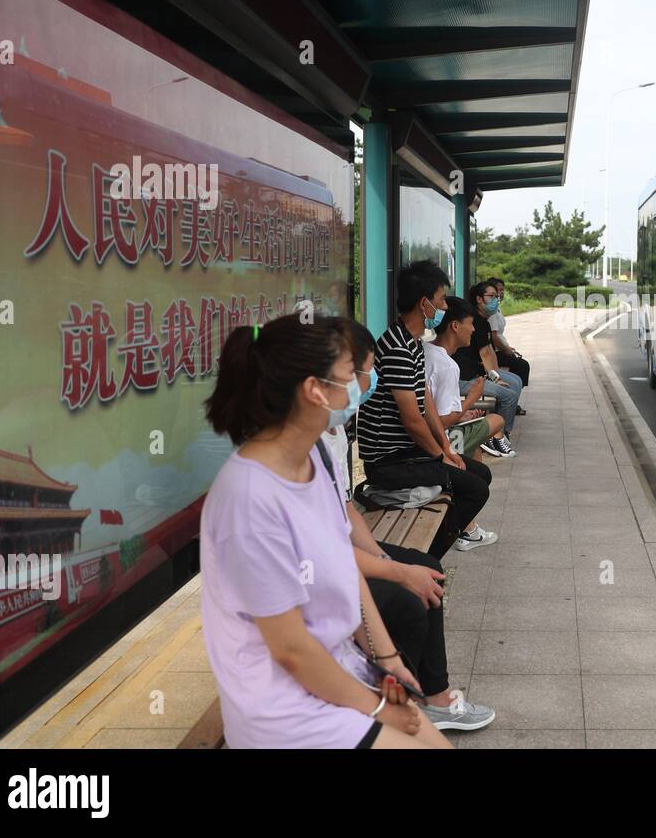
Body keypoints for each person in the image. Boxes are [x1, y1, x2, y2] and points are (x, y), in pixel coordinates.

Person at [200, 313, 449, 749]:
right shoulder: (249, 498)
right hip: (286, 711)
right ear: (315, 390)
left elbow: (342, 563)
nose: (360, 384)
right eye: (350, 374)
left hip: (341, 671)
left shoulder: (315, 459)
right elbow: (292, 650)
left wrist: (387, 661)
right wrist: (376, 707)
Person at [334, 318, 495, 729]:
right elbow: (319, 551)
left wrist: (384, 557)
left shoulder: (328, 433)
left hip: (338, 558)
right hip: (325, 570)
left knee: (427, 570)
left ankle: (426, 697)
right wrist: (395, 569)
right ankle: (408, 699)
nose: (368, 384)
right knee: (412, 593)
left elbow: (343, 508)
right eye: (360, 373)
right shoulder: (277, 463)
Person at [357, 260, 497, 557]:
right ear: (424, 304)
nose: (445, 306)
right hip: (389, 462)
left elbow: (427, 402)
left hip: (408, 454)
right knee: (475, 488)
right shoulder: (397, 347)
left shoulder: (412, 343)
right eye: (441, 300)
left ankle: (429, 554)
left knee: (480, 475)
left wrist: (445, 448)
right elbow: (411, 419)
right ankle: (425, 560)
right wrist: (439, 457)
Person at [424, 297, 508, 459]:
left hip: (435, 433)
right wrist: (472, 398)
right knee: (496, 420)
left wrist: (461, 415)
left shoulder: (425, 350)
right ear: (455, 326)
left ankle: (478, 442)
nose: (473, 329)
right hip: (441, 442)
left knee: (475, 452)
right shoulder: (447, 366)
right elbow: (441, 423)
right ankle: (484, 441)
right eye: (470, 323)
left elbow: (435, 411)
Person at [455, 280, 522, 456]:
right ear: (478, 299)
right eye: (491, 296)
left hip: (474, 374)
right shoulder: (476, 320)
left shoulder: (483, 320)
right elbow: (484, 353)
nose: (496, 299)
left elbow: (489, 351)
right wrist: (495, 377)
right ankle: (499, 436)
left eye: (497, 296)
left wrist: (496, 373)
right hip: (467, 378)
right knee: (509, 394)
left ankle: (501, 432)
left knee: (515, 382)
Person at [486, 278, 530, 396]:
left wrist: (508, 347)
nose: (500, 293)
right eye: (497, 291)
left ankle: (513, 396)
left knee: (519, 363)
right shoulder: (491, 312)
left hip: (498, 349)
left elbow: (498, 335)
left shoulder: (496, 309)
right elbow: (494, 337)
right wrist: (506, 350)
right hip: (494, 352)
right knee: (522, 365)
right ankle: (511, 397)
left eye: (502, 290)